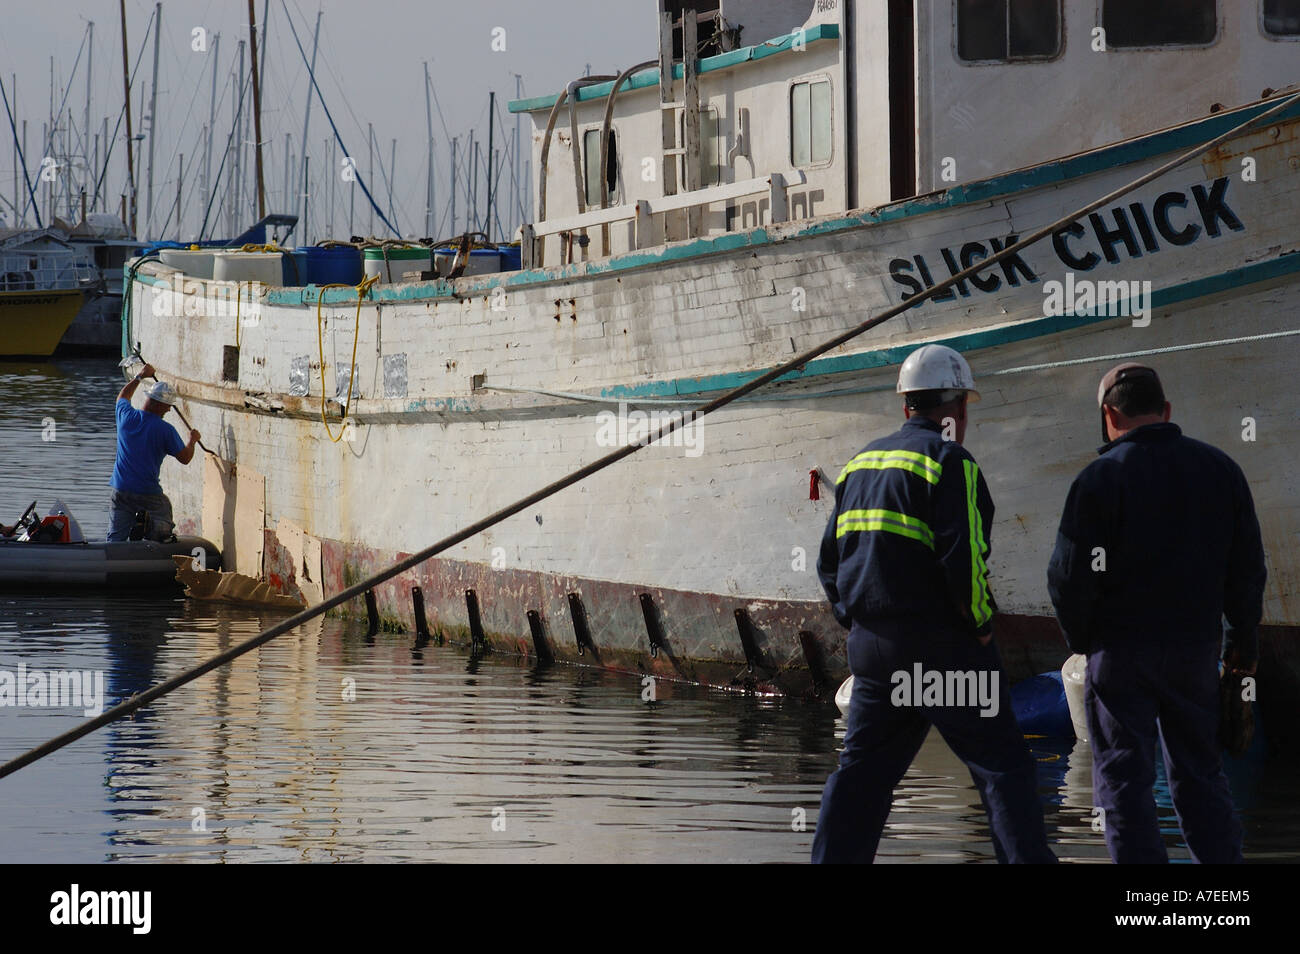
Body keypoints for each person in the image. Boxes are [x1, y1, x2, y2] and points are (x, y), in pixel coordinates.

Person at [812, 344, 1056, 864]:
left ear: (907, 407)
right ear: (958, 409)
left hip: (874, 652)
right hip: (943, 648)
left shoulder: (859, 465)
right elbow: (963, 559)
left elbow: (829, 564)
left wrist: (856, 622)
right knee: (1002, 766)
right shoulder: (951, 462)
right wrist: (982, 624)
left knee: (862, 775)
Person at [1046, 363, 1266, 864]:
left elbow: (1066, 577)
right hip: (1194, 654)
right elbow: (1247, 570)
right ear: (1166, 411)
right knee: (1199, 776)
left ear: (1108, 416)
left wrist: (1084, 640)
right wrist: (1241, 650)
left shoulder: (1097, 480)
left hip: (1119, 655)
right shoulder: (1221, 470)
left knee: (1124, 783)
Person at [108, 362, 201, 542]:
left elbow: (123, 396)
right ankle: (152, 532)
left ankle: (116, 551)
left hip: (120, 489)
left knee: (115, 539)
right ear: (159, 404)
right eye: (167, 405)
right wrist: (192, 440)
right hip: (148, 492)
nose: (168, 409)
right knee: (163, 508)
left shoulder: (126, 417)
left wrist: (140, 376)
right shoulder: (165, 430)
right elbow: (185, 458)